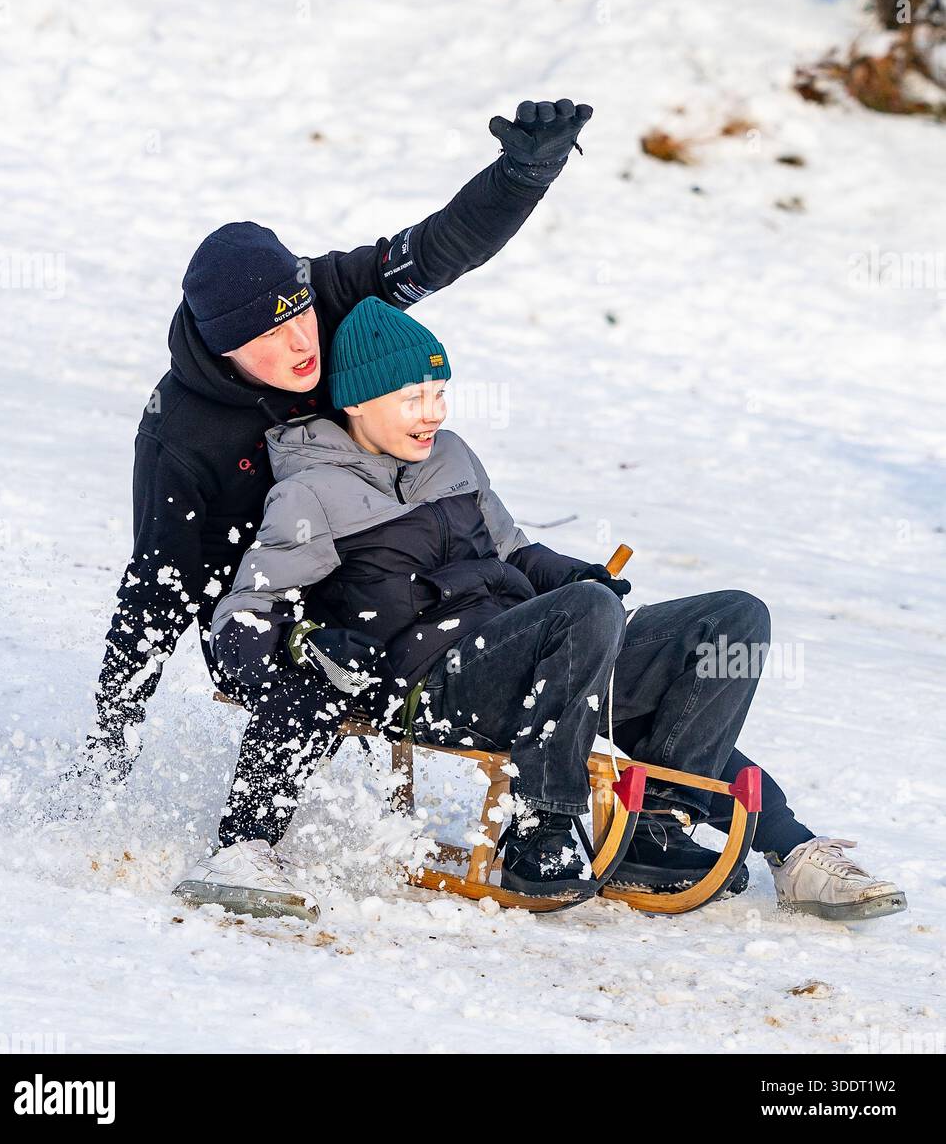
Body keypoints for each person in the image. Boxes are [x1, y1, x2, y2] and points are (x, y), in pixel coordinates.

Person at [175, 298, 907, 922]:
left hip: (548, 651)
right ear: (357, 400)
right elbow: (255, 600)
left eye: (440, 393)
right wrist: (270, 664)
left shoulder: (451, 457)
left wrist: (578, 575)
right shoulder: (310, 492)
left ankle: (658, 824)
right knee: (583, 611)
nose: (433, 414)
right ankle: (543, 822)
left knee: (734, 619)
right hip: (445, 682)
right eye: (412, 398)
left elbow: (515, 551)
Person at [65, 99, 594, 791]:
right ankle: (250, 843)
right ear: (224, 349)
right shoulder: (181, 434)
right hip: (265, 608)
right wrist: (112, 741)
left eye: (300, 316)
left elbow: (438, 248)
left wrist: (523, 176)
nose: (300, 343)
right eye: (269, 339)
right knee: (304, 678)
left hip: (376, 574)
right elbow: (158, 588)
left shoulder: (325, 293)